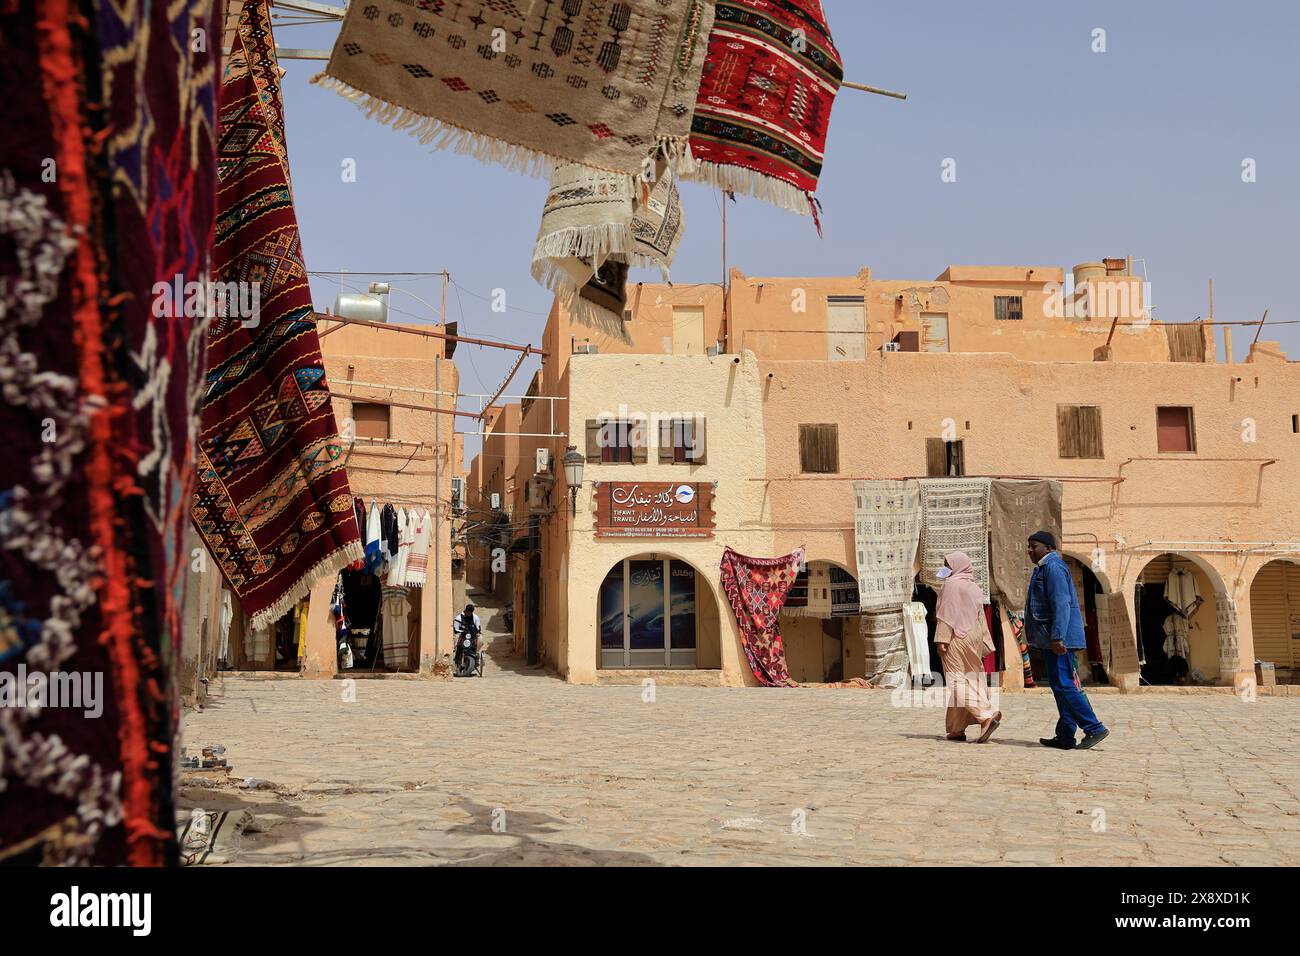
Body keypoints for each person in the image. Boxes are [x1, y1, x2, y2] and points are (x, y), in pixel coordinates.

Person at [1026, 531, 1109, 750]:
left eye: (1034, 546)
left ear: (1049, 548)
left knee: (1064, 684)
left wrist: (1058, 636)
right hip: (1052, 638)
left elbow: (1061, 603)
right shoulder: (1046, 568)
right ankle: (1065, 735)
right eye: (1029, 546)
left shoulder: (1053, 568)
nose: (1030, 550)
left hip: (1058, 638)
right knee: (1060, 685)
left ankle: (1094, 727)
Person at [933, 552, 1002, 743]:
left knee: (956, 681)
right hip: (974, 636)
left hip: (956, 635)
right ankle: (956, 729)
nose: (945, 567)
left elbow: (947, 613)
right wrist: (985, 644)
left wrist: (942, 639)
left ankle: (985, 715)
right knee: (970, 680)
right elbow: (980, 616)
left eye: (947, 564)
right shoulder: (974, 587)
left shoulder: (951, 585)